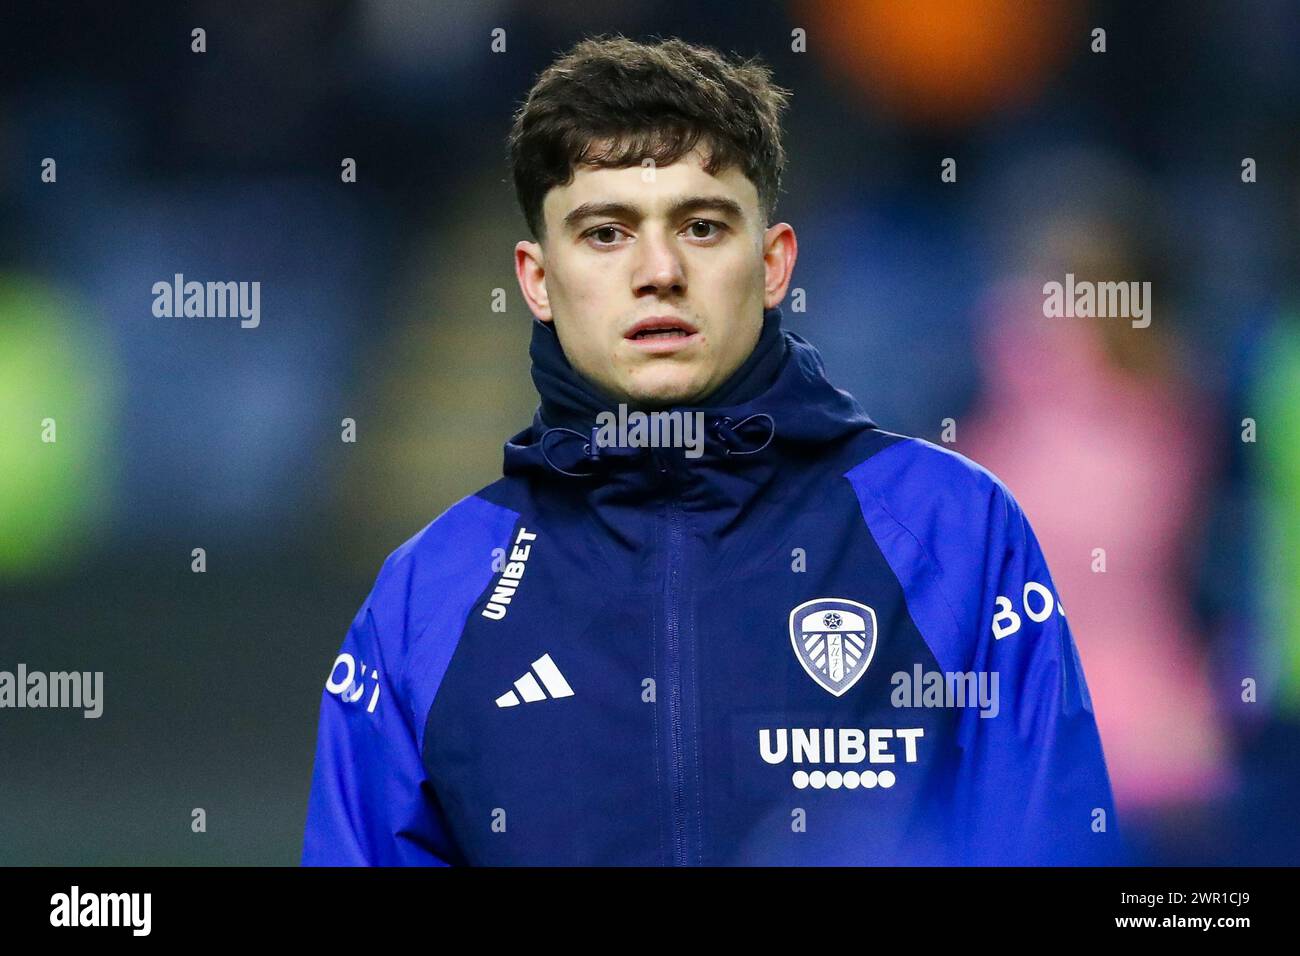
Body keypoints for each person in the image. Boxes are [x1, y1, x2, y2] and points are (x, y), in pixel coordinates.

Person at [301, 34, 1121, 866]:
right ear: (537, 279)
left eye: (700, 226)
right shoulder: (426, 596)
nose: (659, 271)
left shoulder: (953, 530)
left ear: (772, 265)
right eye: (605, 233)